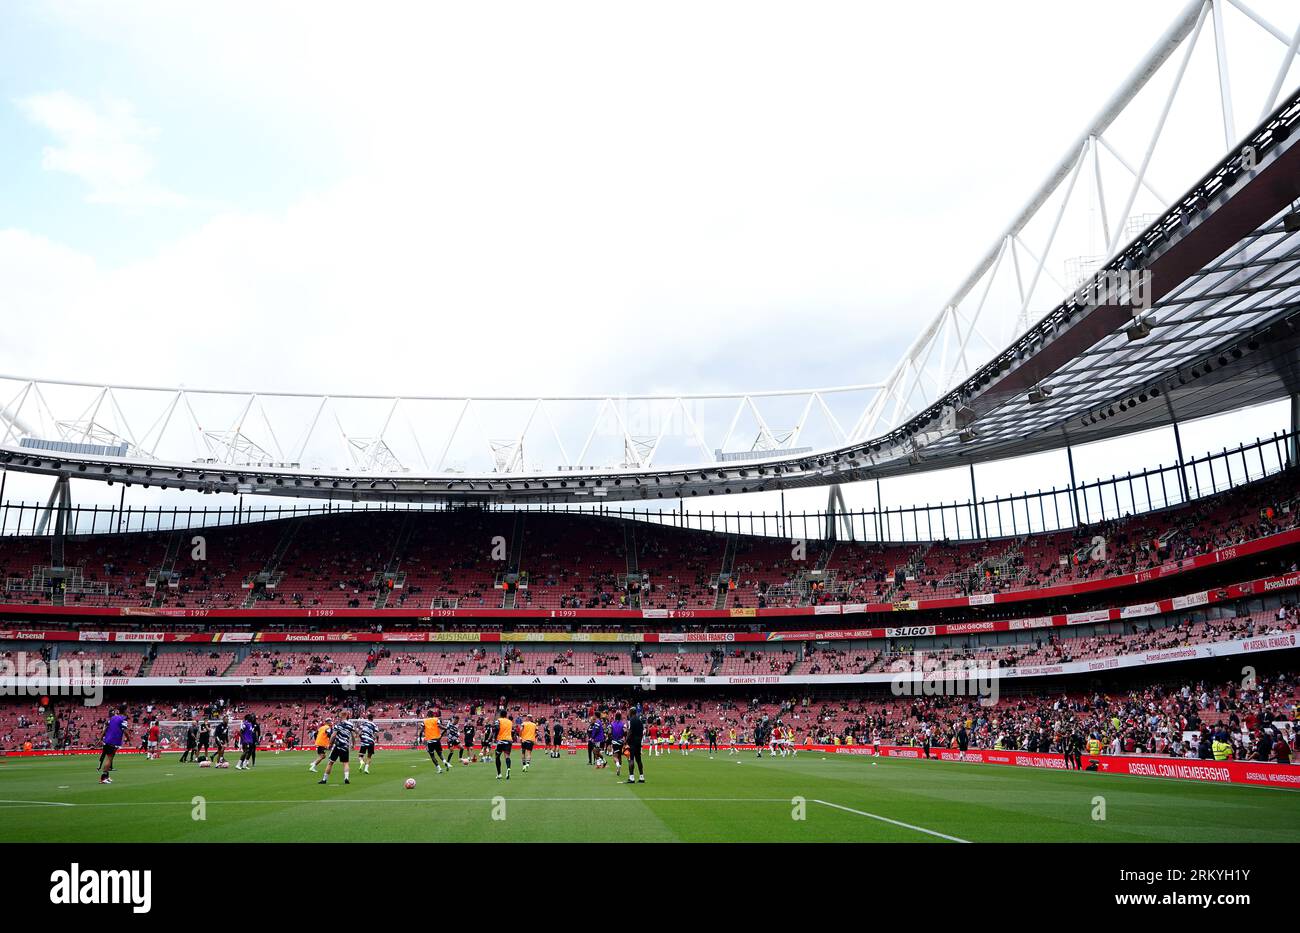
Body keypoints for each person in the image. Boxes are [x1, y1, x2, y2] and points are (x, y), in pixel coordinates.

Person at [318, 715, 355, 785]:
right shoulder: (350, 725)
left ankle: (324, 779)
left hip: (337, 746)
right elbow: (353, 735)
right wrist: (353, 744)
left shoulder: (338, 725)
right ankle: (346, 778)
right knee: (345, 763)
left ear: (342, 717)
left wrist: (330, 744)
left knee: (330, 763)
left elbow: (333, 735)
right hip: (345, 746)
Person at [98, 708, 128, 784]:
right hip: (113, 741)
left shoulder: (111, 719)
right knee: (109, 759)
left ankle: (107, 776)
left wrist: (100, 738)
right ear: (124, 711)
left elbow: (105, 729)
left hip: (107, 740)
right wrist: (129, 739)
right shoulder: (123, 719)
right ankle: (103, 778)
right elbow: (125, 731)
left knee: (110, 759)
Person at [424, 709, 452, 774]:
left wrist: (420, 738)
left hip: (430, 740)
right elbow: (440, 726)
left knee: (432, 755)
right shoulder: (436, 719)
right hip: (437, 740)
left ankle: (439, 768)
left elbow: (422, 729)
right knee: (439, 753)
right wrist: (446, 728)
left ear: (427, 715)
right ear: (433, 714)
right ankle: (445, 762)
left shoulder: (425, 721)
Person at [624, 707, 645, 784]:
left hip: (632, 742)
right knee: (639, 760)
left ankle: (631, 777)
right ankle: (641, 777)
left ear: (631, 712)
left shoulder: (631, 720)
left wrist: (626, 741)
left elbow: (630, 732)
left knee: (631, 759)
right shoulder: (639, 720)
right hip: (638, 742)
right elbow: (642, 732)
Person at [494, 707, 514, 780]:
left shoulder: (498, 720)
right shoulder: (510, 722)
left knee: (497, 756)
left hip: (501, 740)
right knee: (507, 756)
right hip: (508, 740)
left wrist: (495, 737)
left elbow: (496, 728)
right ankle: (508, 768)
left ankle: (499, 774)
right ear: (506, 715)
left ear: (500, 714)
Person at [608, 712, 626, 778]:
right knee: (620, 756)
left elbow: (609, 732)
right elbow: (625, 731)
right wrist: (624, 738)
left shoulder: (612, 724)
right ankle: (619, 769)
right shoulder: (623, 724)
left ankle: (618, 765)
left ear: (615, 717)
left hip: (615, 741)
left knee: (615, 756)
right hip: (621, 742)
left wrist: (609, 742)